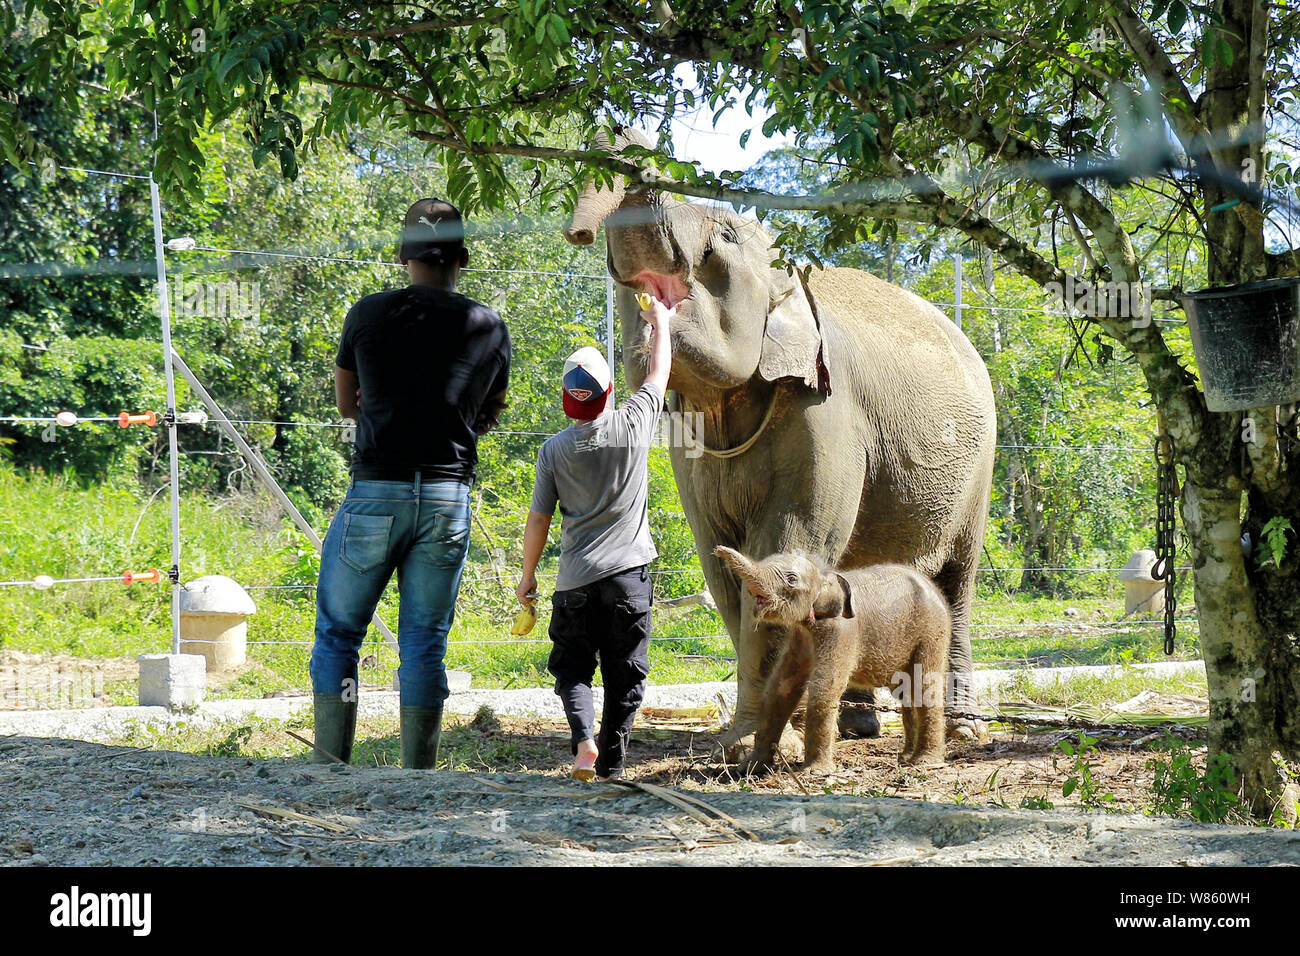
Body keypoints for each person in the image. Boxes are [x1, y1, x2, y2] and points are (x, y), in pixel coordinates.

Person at [310, 198, 510, 769]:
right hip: (447, 498)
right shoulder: (489, 326)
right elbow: (486, 414)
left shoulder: (367, 315)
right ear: (463, 259)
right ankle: (418, 775)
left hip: (377, 491)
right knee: (423, 641)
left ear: (401, 256)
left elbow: (348, 404)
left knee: (340, 635)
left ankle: (330, 765)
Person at [516, 297, 674, 780]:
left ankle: (584, 745)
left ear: (568, 400)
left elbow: (538, 520)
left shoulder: (553, 451)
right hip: (629, 579)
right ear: (609, 392)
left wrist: (527, 580)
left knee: (572, 670)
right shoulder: (631, 424)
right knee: (625, 675)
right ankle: (612, 765)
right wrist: (660, 322)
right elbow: (658, 372)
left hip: (575, 583)